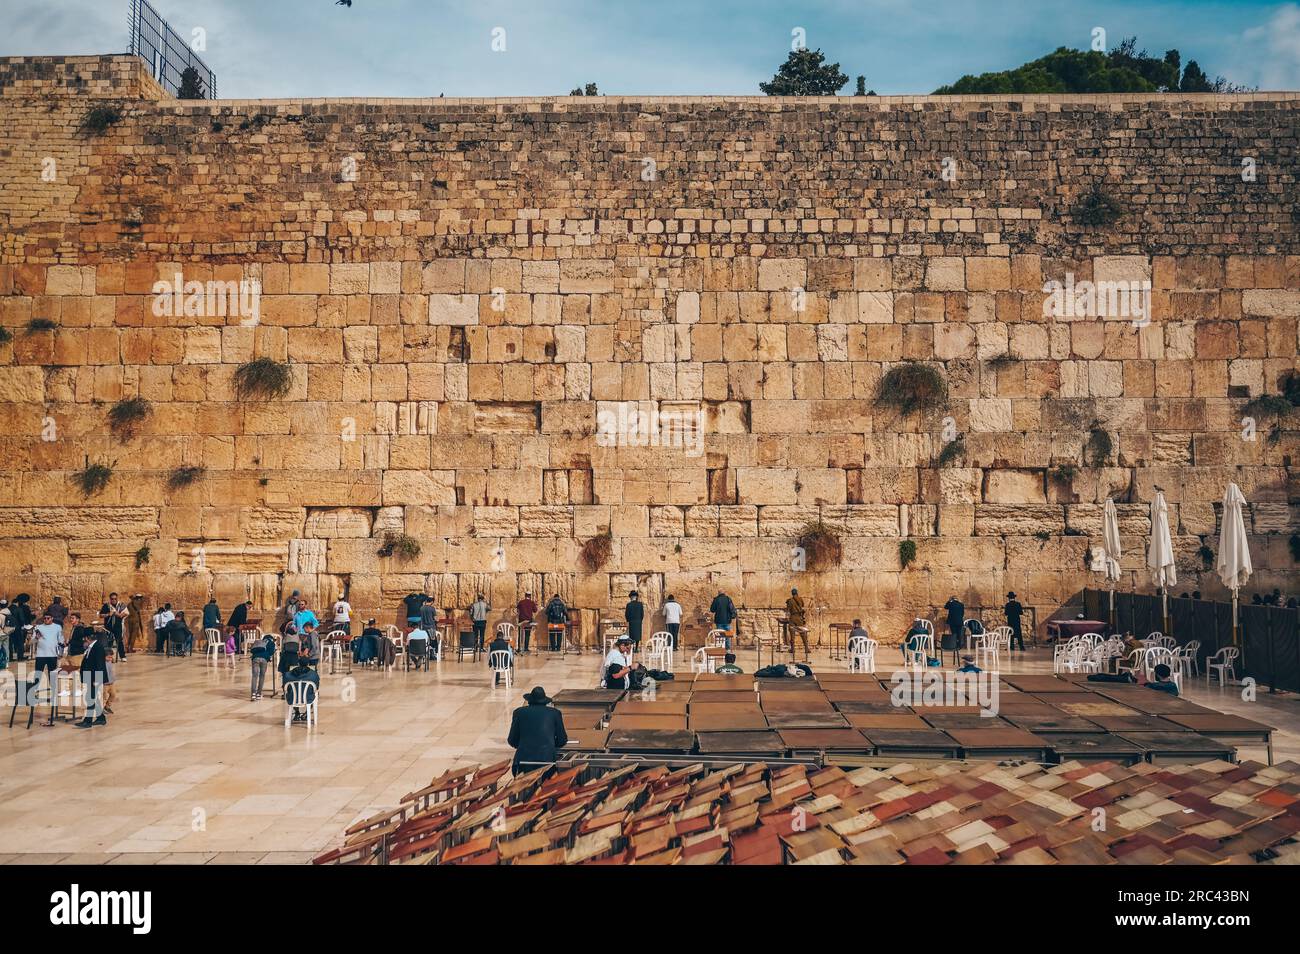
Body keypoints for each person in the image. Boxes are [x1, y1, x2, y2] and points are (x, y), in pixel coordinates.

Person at [506, 687, 568, 774]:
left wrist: (525, 745)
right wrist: (550, 745)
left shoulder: (519, 712)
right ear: (545, 702)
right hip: (547, 761)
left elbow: (512, 740)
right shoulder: (555, 713)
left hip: (524, 761)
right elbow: (562, 740)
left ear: (529, 701)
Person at [74, 628, 109, 728]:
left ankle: (88, 721)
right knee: (94, 698)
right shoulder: (91, 647)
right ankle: (101, 718)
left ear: (87, 638)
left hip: (94, 678)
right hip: (90, 677)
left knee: (90, 699)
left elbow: (99, 665)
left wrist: (96, 679)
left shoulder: (97, 647)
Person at [31, 612, 64, 698]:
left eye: (48, 618)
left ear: (52, 618)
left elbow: (61, 640)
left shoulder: (57, 627)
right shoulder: (38, 627)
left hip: (52, 654)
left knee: (52, 674)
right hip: (40, 655)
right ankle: (34, 690)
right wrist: (36, 637)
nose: (46, 620)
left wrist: (61, 653)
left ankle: (54, 691)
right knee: (38, 673)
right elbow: (31, 642)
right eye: (45, 618)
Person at [100, 592, 128, 659]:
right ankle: (108, 656)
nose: (114, 600)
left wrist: (115, 613)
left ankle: (122, 656)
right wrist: (108, 614)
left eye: (115, 599)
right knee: (108, 641)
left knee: (119, 641)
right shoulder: (106, 606)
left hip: (117, 627)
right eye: (112, 599)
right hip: (108, 627)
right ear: (110, 599)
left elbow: (123, 614)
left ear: (117, 598)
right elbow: (101, 615)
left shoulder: (121, 605)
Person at [249, 632, 275, 700]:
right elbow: (271, 653)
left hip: (255, 659)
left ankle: (253, 694)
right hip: (264, 660)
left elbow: (252, 650)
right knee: (262, 676)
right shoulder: (271, 643)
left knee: (254, 676)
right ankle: (259, 694)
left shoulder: (259, 642)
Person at [7, 593, 33, 662]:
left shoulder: (8, 609)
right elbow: (21, 619)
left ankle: (10, 657)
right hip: (18, 628)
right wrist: (23, 625)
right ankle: (20, 657)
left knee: (10, 643)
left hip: (9, 628)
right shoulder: (19, 609)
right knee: (20, 643)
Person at [784, 588, 809, 656]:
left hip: (792, 618)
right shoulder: (800, 599)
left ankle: (793, 649)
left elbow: (788, 610)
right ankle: (806, 648)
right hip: (799, 618)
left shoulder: (790, 601)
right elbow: (802, 606)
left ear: (792, 593)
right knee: (802, 633)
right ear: (797, 593)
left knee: (792, 633)